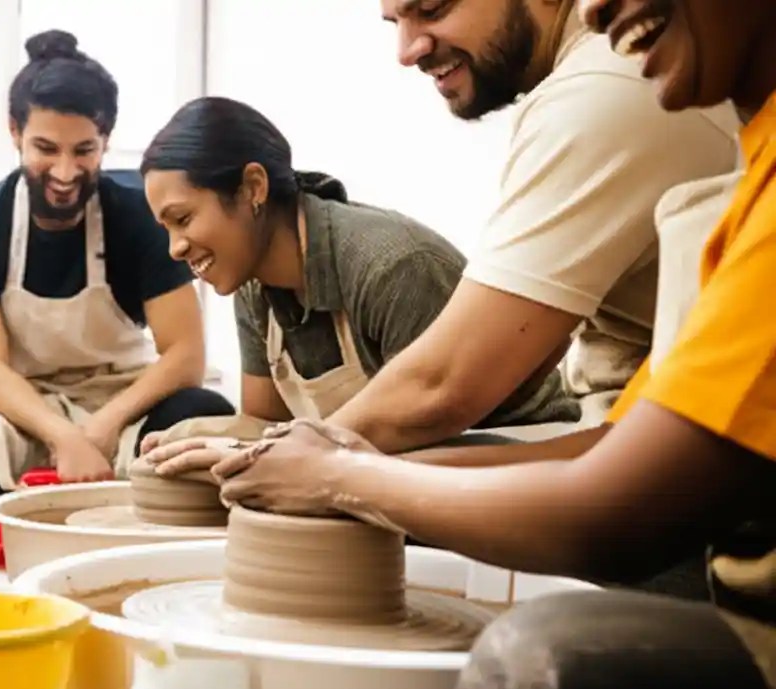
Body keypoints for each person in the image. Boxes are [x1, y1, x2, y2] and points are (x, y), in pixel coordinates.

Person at [206, 0, 776, 689]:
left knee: (539, 660)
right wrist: (342, 471)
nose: (598, 7)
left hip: (699, 550)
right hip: (656, 478)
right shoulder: (754, 178)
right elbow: (614, 447)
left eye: (433, 7)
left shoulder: (607, 94)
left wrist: (339, 476)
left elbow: (465, 402)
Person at [311, 0, 741, 455]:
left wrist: (304, 457)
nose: (406, 50)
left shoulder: (604, 86)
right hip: (633, 443)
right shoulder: (588, 82)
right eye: (395, 22)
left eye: (433, 9)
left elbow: (444, 386)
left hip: (683, 473)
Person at [138, 96, 578, 475]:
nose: (175, 248)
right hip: (387, 464)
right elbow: (263, 422)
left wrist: (255, 454)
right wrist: (193, 442)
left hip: (517, 460)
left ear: (254, 188)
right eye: (164, 229)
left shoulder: (391, 267)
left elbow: (426, 423)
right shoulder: (252, 282)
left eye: (183, 220)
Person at [0, 30, 233, 499]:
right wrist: (63, 437)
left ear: (106, 141)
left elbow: (185, 356)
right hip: (23, 410)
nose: (64, 172)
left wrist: (101, 428)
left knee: (207, 414)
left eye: (83, 150)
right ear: (15, 133)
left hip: (123, 404)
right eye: (45, 149)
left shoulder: (139, 216)